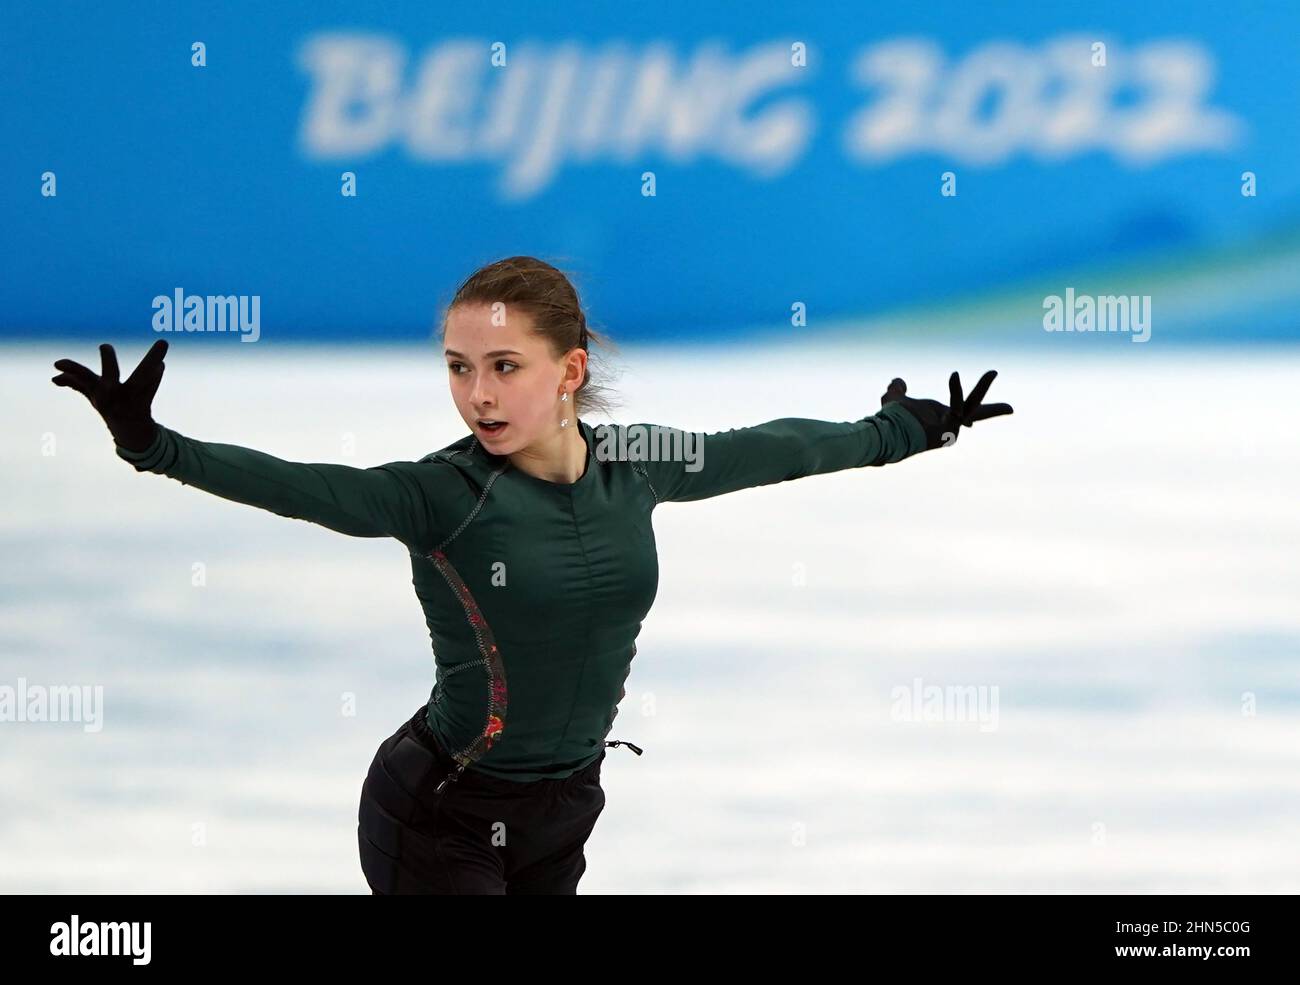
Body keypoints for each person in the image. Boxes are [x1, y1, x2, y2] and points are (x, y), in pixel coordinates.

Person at [50, 255, 1013, 894]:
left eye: (504, 364)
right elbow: (309, 486)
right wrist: (156, 445)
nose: (477, 392)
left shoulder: (635, 457)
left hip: (563, 810)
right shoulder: (443, 493)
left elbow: (769, 447)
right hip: (443, 816)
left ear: (570, 370)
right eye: (458, 366)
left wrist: (906, 430)